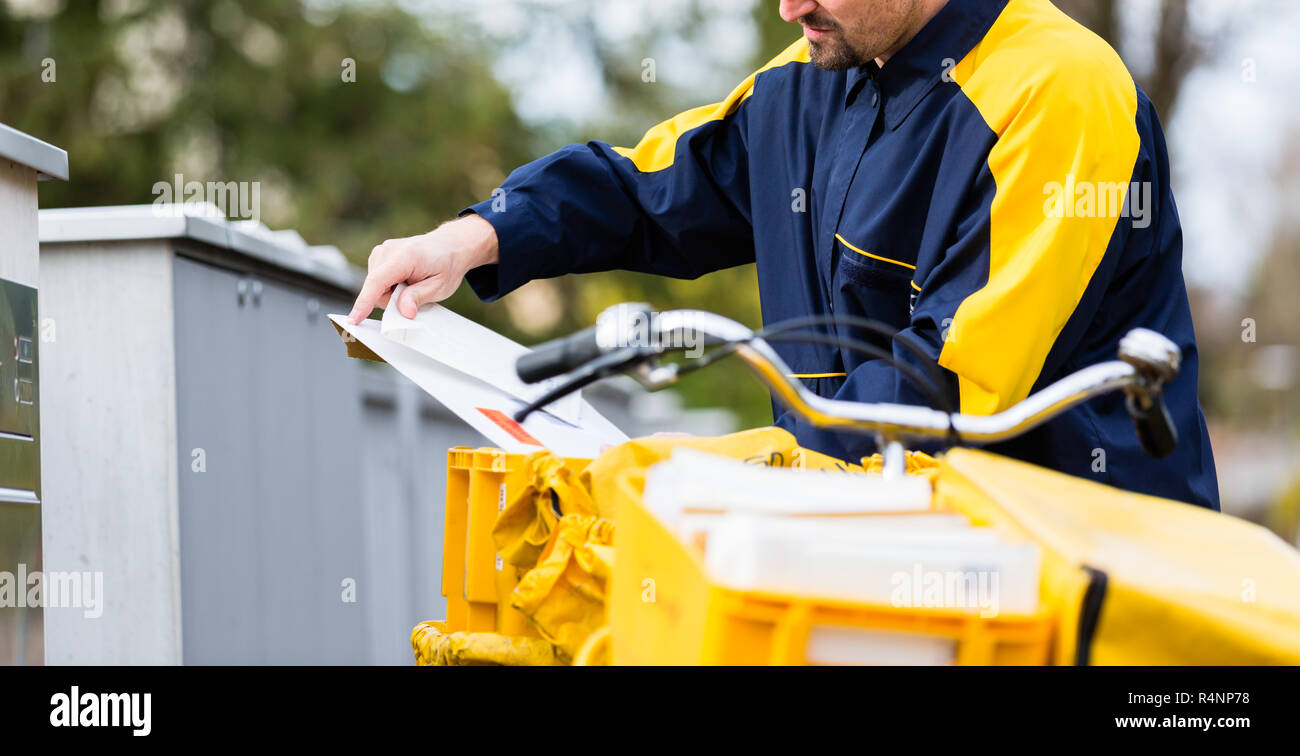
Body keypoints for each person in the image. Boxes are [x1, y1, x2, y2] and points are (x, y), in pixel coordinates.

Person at [350, 0, 1220, 509]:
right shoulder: (809, 78)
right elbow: (650, 190)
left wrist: (710, 479)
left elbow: (941, 391)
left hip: (1088, 593)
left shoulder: (1062, 92)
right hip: (873, 564)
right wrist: (475, 236)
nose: (788, 6)